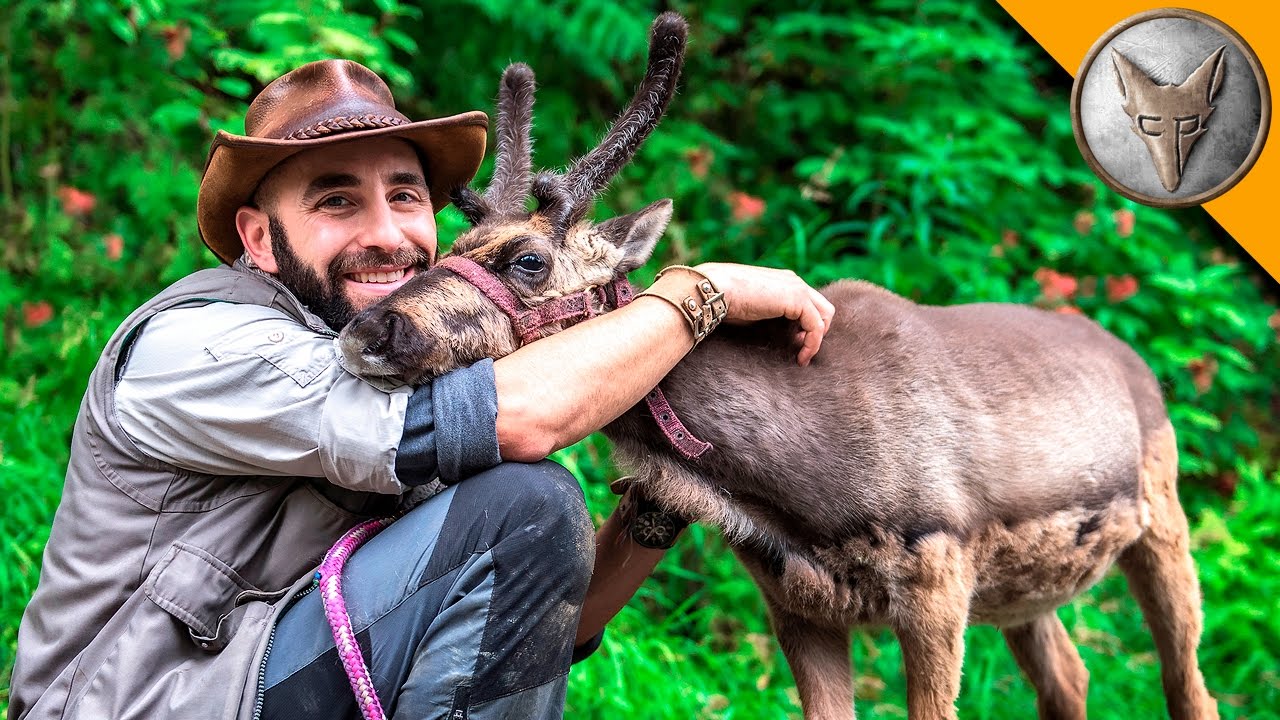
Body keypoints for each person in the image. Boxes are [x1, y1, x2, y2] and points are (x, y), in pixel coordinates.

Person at [9, 59, 834, 720]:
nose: (387, 234)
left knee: (525, 512)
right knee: (528, 501)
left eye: (405, 196)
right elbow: (524, 422)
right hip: (144, 702)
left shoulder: (411, 366)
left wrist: (663, 499)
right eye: (337, 200)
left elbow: (552, 624)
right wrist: (698, 295)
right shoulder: (197, 344)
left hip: (277, 676)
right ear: (259, 239)